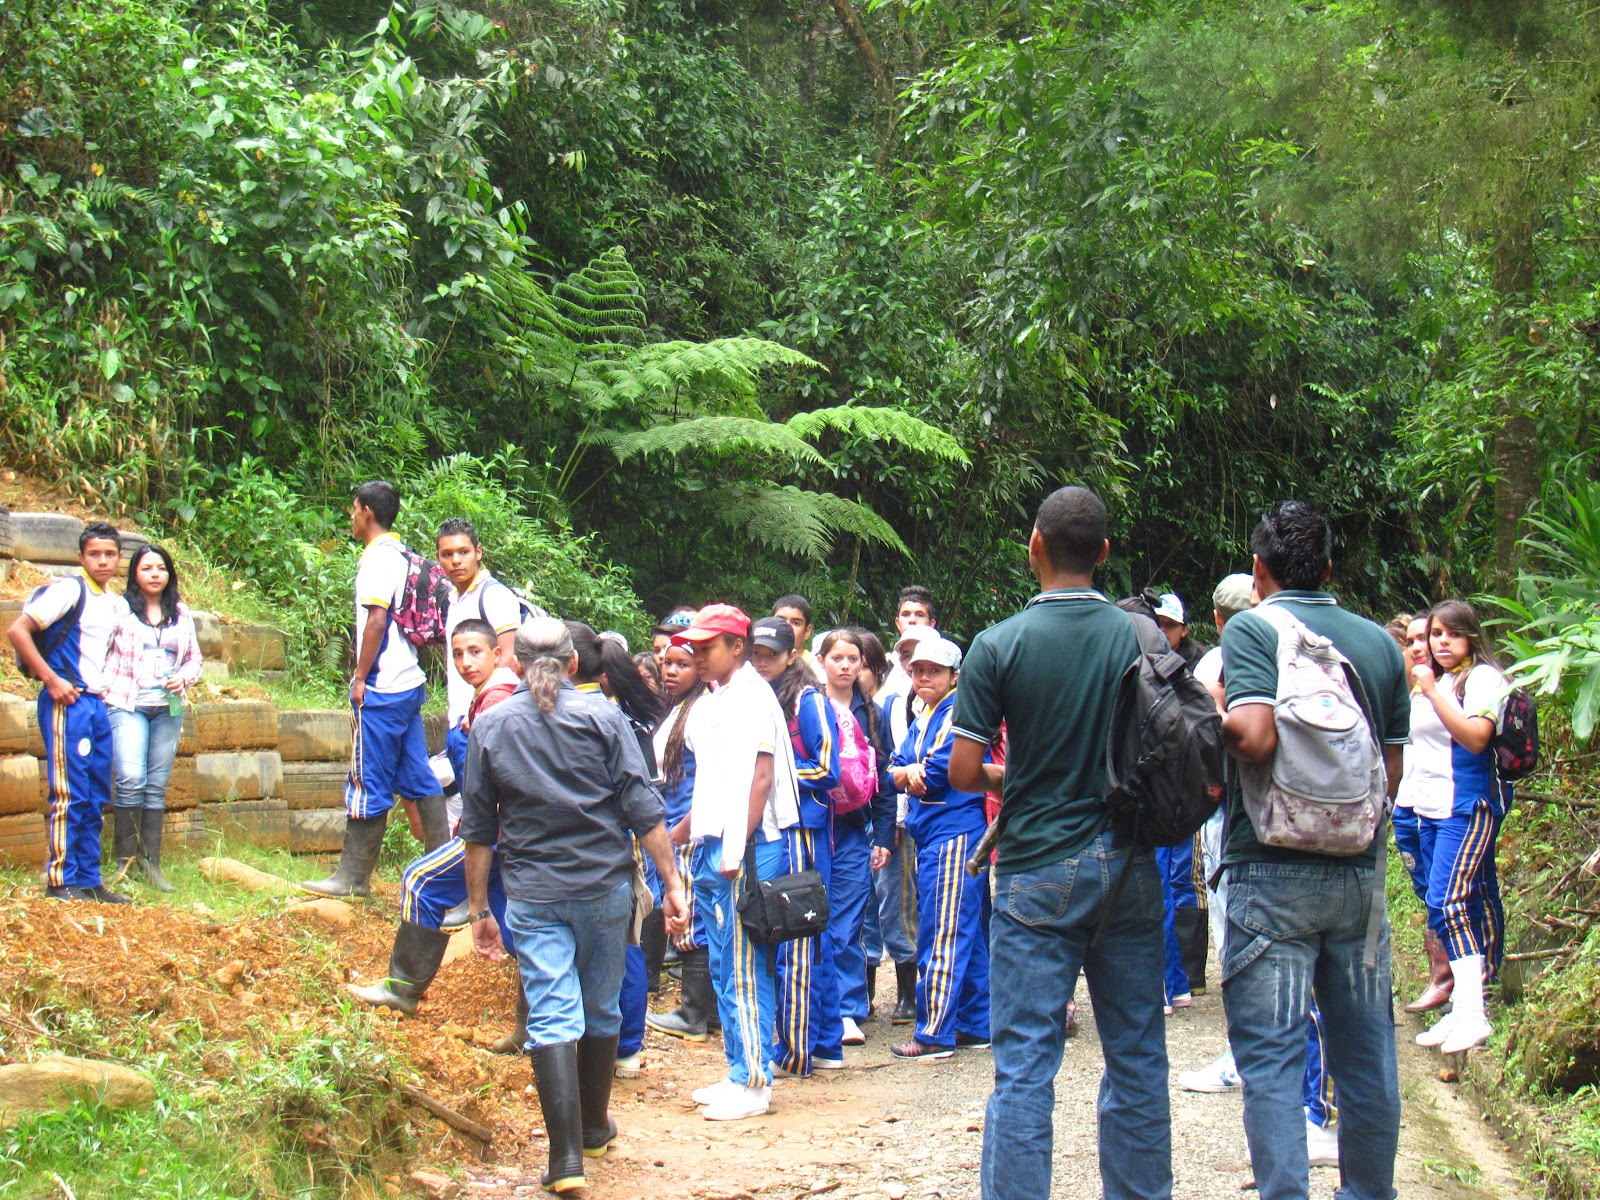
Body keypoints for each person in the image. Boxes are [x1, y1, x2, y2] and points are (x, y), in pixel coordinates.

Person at [949, 486, 1166, 1200]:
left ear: (1033, 546)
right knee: (1136, 1057)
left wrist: (1022, 772)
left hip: (1035, 867)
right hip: (1129, 863)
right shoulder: (1140, 637)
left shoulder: (997, 645)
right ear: (1104, 553)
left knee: (1024, 1068)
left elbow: (961, 771)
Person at [1218, 499, 1409, 1200]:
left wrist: (1212, 714)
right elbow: (1388, 774)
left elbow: (1257, 738)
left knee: (1270, 1058)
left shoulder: (1252, 632)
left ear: (1259, 569)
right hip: (1357, 876)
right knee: (1365, 1055)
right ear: (1330, 566)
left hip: (1270, 870)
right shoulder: (1381, 644)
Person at [461, 617, 686, 1193]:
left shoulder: (492, 726)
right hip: (603, 888)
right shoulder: (603, 717)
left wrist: (480, 908)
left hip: (534, 894)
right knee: (601, 1007)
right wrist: (673, 879)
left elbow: (479, 830)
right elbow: (641, 807)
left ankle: (565, 1162)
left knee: (552, 1015)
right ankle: (592, 1128)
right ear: (572, 664)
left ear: (513, 661)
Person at [347, 619, 520, 1021]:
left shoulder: (495, 700)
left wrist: (477, 827)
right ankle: (534, 1023)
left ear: (497, 654)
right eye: (457, 653)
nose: (465, 661)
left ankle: (401, 988)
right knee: (517, 923)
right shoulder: (493, 696)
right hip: (508, 833)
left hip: (492, 835)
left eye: (475, 651)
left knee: (420, 882)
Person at [671, 604, 801, 1121]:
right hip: (716, 845)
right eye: (694, 648)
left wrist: (732, 852)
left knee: (746, 966)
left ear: (736, 647)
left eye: (707, 648)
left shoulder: (752, 697)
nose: (697, 656)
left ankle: (753, 1082)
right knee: (725, 963)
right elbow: (714, 781)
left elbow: (760, 778)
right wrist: (680, 833)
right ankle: (738, 1069)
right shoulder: (715, 698)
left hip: (744, 850)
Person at [303, 481, 449, 898]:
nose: (351, 517)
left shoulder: (376, 561)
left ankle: (352, 878)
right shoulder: (403, 556)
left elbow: (376, 621)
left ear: (367, 512)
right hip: (410, 682)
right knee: (419, 775)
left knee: (367, 777)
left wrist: (360, 676)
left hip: (383, 686)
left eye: (353, 510)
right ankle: (442, 872)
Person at [1409, 600, 1511, 1056]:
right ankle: (1470, 1002)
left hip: (1467, 805)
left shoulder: (1483, 679)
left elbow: (1474, 738)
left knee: (1447, 900)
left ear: (1471, 635)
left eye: (1451, 634)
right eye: (1435, 634)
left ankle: (1472, 1012)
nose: (1441, 642)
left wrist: (1432, 692)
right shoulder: (1443, 680)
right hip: (1431, 808)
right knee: (1472, 896)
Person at [8, 521, 129, 902]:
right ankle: (60, 880)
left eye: (109, 554)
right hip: (67, 701)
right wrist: (51, 680)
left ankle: (90, 881)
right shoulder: (68, 590)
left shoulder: (114, 602)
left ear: (119, 558)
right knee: (69, 791)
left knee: (95, 792)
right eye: (94, 554)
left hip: (95, 704)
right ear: (81, 557)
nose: (103, 561)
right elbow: (18, 631)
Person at [888, 634, 991, 1062]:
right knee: (966, 931)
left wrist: (909, 770)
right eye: (917, 670)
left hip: (954, 832)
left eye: (934, 670)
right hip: (931, 832)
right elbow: (894, 767)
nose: (924, 676)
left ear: (954, 675)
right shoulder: (923, 712)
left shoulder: (957, 710)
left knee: (943, 931)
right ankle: (975, 1022)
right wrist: (905, 771)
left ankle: (934, 1033)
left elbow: (933, 773)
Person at [751, 615, 845, 1076]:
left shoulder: (807, 700)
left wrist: (770, 779)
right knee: (808, 933)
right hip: (781, 829)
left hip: (803, 832)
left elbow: (829, 769)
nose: (762, 661)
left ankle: (797, 1051)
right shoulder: (763, 698)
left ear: (793, 655)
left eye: (772, 654)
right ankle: (824, 1044)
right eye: (756, 653)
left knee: (800, 936)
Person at [103, 543, 204, 892]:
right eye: (146, 568)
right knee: (131, 777)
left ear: (169, 573)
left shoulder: (181, 612)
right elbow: (100, 649)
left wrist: (185, 677)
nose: (154, 574)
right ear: (134, 573)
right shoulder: (120, 609)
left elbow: (194, 659)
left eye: (160, 568)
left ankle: (152, 865)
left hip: (168, 707)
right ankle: (123, 863)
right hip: (127, 703)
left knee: (157, 786)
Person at [817, 628, 898, 1045]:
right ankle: (818, 1004)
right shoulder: (807, 706)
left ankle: (848, 1007)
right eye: (837, 659)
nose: (846, 666)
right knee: (816, 916)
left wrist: (884, 834)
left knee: (848, 918)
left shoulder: (873, 714)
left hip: (854, 828)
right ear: (822, 661)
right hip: (815, 824)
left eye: (854, 660)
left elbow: (882, 777)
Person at [645, 642, 717, 1041]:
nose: (671, 671)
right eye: (667, 663)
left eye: (682, 665)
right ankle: (706, 1011)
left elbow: (708, 776)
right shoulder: (677, 709)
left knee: (692, 918)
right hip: (674, 824)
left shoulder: (702, 711)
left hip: (689, 826)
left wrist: (684, 828)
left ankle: (693, 1013)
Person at [872, 622, 937, 1025]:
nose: (916, 665)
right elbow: (890, 766)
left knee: (923, 903)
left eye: (924, 658)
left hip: (938, 819)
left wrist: (908, 773)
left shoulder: (949, 707)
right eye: (909, 658)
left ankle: (930, 997)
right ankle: (908, 994)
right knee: (894, 902)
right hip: (901, 815)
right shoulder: (895, 704)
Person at [1392, 611, 1452, 1013]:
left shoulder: (1447, 689)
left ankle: (1447, 981)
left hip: (1440, 803)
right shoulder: (1408, 690)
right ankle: (1441, 974)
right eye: (1411, 640)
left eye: (1424, 638)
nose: (1418, 647)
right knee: (1426, 890)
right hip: (1407, 802)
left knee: (1444, 892)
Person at [876, 586, 938, 701]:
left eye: (920, 615)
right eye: (906, 614)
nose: (912, 620)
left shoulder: (944, 664)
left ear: (931, 623)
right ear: (897, 622)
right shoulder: (885, 665)